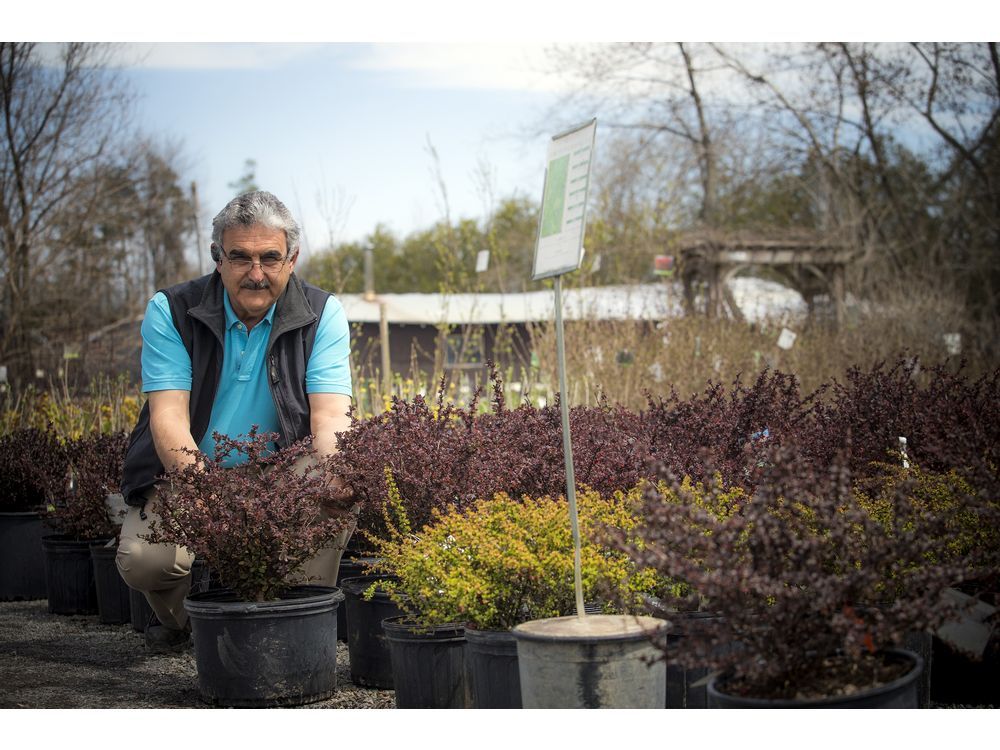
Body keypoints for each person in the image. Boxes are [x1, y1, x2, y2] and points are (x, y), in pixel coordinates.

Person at [117, 190, 355, 653]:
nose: (256, 273)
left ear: (292, 259)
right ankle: (195, 626)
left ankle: (293, 625)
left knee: (331, 485)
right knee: (146, 560)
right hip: (192, 471)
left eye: (271, 258)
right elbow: (168, 417)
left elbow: (330, 417)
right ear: (218, 258)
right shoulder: (172, 311)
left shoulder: (322, 314)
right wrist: (203, 491)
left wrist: (335, 475)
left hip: (282, 471)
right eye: (241, 257)